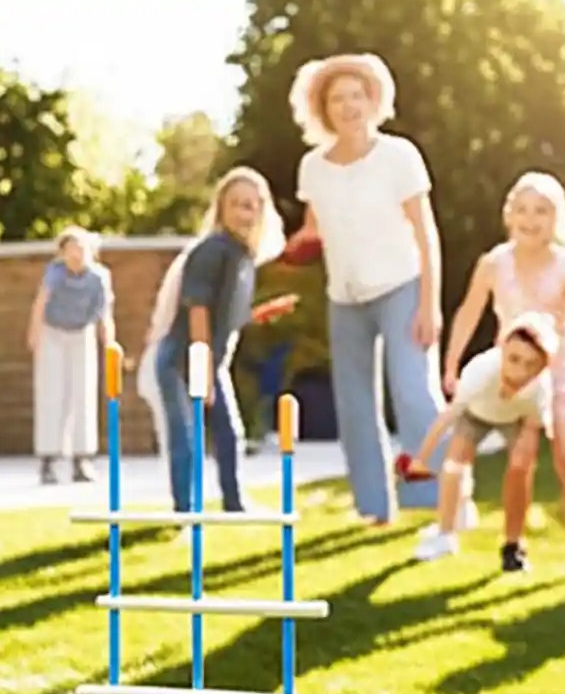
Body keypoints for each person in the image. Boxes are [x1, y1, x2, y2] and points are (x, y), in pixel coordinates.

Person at [442, 171, 565, 586]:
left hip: (562, 373)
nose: (531, 218)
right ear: (509, 216)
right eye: (522, 209)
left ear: (556, 218)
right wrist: (452, 365)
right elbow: (469, 313)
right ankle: (512, 545)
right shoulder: (493, 264)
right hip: (515, 376)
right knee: (520, 459)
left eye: (541, 211)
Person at [288, 52, 447, 526]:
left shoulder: (399, 155)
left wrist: (429, 303)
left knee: (413, 392)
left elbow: (425, 232)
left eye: (357, 95)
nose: (349, 105)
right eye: (338, 98)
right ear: (323, 108)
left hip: (402, 285)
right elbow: (313, 230)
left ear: (373, 100)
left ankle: (435, 497)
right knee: (354, 405)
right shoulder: (312, 168)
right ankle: (374, 508)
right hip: (346, 297)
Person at [142, 166, 288, 519]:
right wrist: (203, 371)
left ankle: (234, 503)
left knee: (229, 432)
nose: (244, 212)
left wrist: (260, 313)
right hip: (184, 359)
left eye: (251, 206)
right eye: (236, 204)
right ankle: (185, 511)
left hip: (208, 358)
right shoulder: (212, 250)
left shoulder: (242, 255)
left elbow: (227, 314)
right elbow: (198, 312)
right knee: (187, 438)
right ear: (222, 208)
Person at [409, 312, 556, 569]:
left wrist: (521, 462)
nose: (520, 371)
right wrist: (420, 459)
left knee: (522, 470)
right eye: (514, 359)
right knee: (454, 466)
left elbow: (531, 432)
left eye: (531, 365)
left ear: (543, 367)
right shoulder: (480, 371)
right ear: (502, 351)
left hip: (515, 419)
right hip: (475, 414)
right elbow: (447, 417)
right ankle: (446, 534)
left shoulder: (539, 389)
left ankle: (513, 546)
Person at [26, 226, 114, 485]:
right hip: (53, 332)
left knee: (83, 394)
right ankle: (48, 459)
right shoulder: (55, 273)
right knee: (51, 394)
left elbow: (104, 315)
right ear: (62, 253)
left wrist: (110, 346)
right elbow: (41, 303)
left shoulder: (99, 277)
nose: (75, 255)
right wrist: (35, 335)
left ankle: (82, 459)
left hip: (82, 333)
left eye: (80, 249)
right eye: (70, 250)